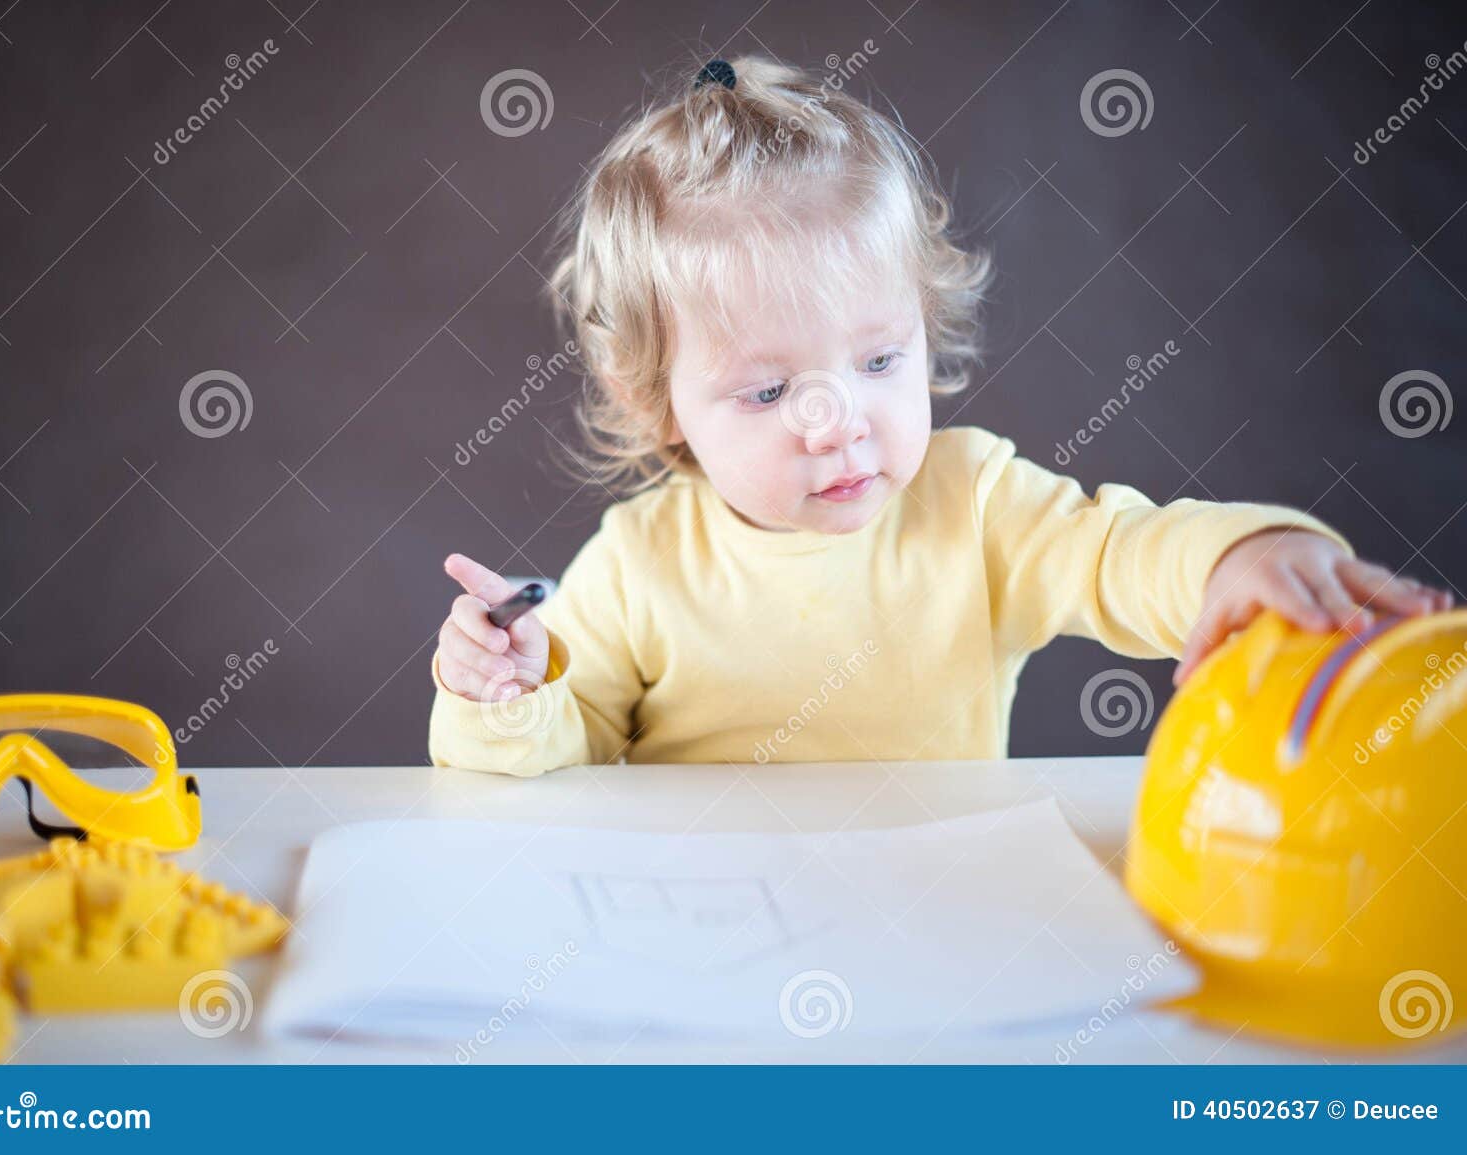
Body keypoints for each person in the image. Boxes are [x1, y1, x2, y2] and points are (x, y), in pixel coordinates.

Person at [428, 55, 1452, 776]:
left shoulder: (974, 505)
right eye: (769, 390)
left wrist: (1238, 558)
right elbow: (558, 761)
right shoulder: (639, 564)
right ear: (658, 407)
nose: (836, 421)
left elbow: (1119, 553)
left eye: (878, 359)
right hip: (708, 946)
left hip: (938, 922)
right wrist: (505, 696)